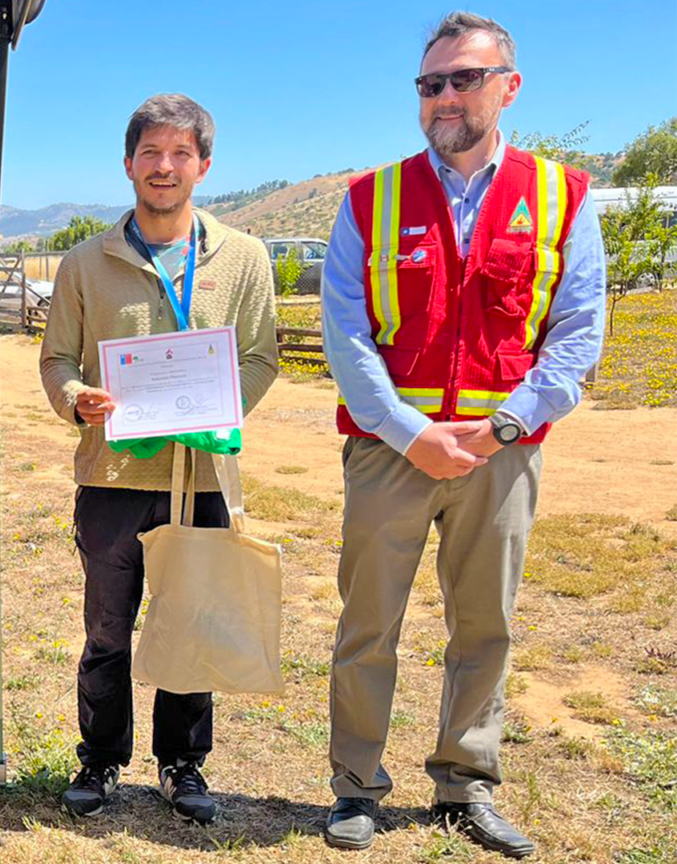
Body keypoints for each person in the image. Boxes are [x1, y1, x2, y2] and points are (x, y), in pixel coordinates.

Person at [319, 14, 604, 858]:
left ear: (508, 86)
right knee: (368, 624)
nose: (444, 96)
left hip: (503, 455)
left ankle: (465, 784)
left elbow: (579, 331)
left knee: (485, 627)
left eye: (463, 78)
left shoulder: (562, 196)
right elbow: (346, 334)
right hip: (388, 454)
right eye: (429, 83)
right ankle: (355, 788)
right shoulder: (371, 198)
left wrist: (501, 426)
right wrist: (411, 434)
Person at [38, 93, 279, 823]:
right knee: (107, 631)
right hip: (112, 478)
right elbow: (56, 360)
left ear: (204, 165)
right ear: (128, 164)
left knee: (191, 622)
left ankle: (183, 765)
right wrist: (79, 397)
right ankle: (101, 760)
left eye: (180, 154)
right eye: (151, 153)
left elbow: (262, 356)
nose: (164, 167)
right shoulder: (86, 261)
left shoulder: (243, 258)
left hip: (200, 476)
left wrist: (221, 414)